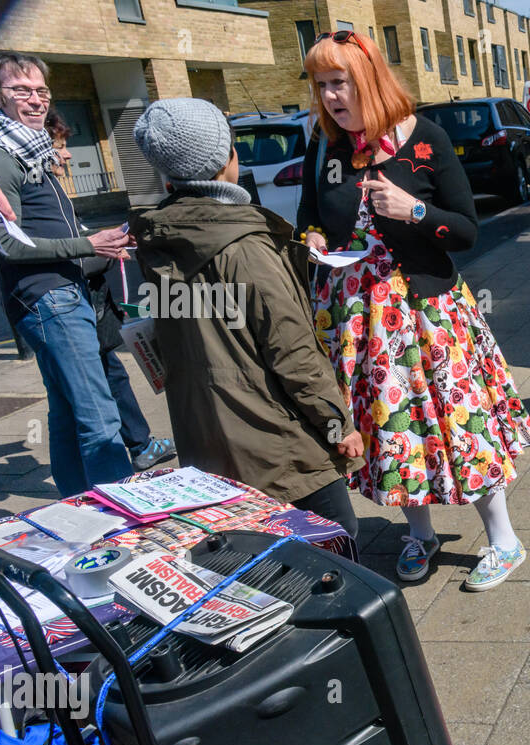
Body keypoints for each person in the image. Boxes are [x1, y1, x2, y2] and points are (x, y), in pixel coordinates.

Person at [298, 30, 530, 590]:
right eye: (322, 85)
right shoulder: (324, 144)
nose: (331, 96)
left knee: (460, 423)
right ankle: (420, 533)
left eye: (340, 83)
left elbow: (466, 232)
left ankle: (504, 539)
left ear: (369, 79)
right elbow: (310, 214)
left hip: (427, 311)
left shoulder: (425, 138)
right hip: (357, 317)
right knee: (391, 429)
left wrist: (415, 211)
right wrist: (312, 240)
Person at [130, 97, 364, 539]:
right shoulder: (246, 247)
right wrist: (338, 425)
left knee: (252, 559)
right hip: (279, 446)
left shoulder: (158, 240)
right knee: (334, 550)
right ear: (228, 159)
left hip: (206, 440)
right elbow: (293, 353)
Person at [0, 53, 133, 498]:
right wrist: (90, 245)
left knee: (68, 411)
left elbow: (50, 228)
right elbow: (8, 244)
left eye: (41, 91)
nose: (35, 101)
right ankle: (129, 517)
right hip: (50, 300)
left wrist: (104, 238)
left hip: (59, 295)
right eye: (21, 91)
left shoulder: (28, 149)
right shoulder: (0, 157)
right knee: (99, 417)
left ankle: (76, 503)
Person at [45, 110, 175, 472]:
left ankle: (133, 449)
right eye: (60, 147)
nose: (68, 155)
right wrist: (100, 250)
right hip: (72, 310)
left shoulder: (55, 194)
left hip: (89, 310)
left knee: (93, 390)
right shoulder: (39, 197)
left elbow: (79, 244)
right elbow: (69, 257)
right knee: (93, 408)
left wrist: (108, 241)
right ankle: (123, 473)